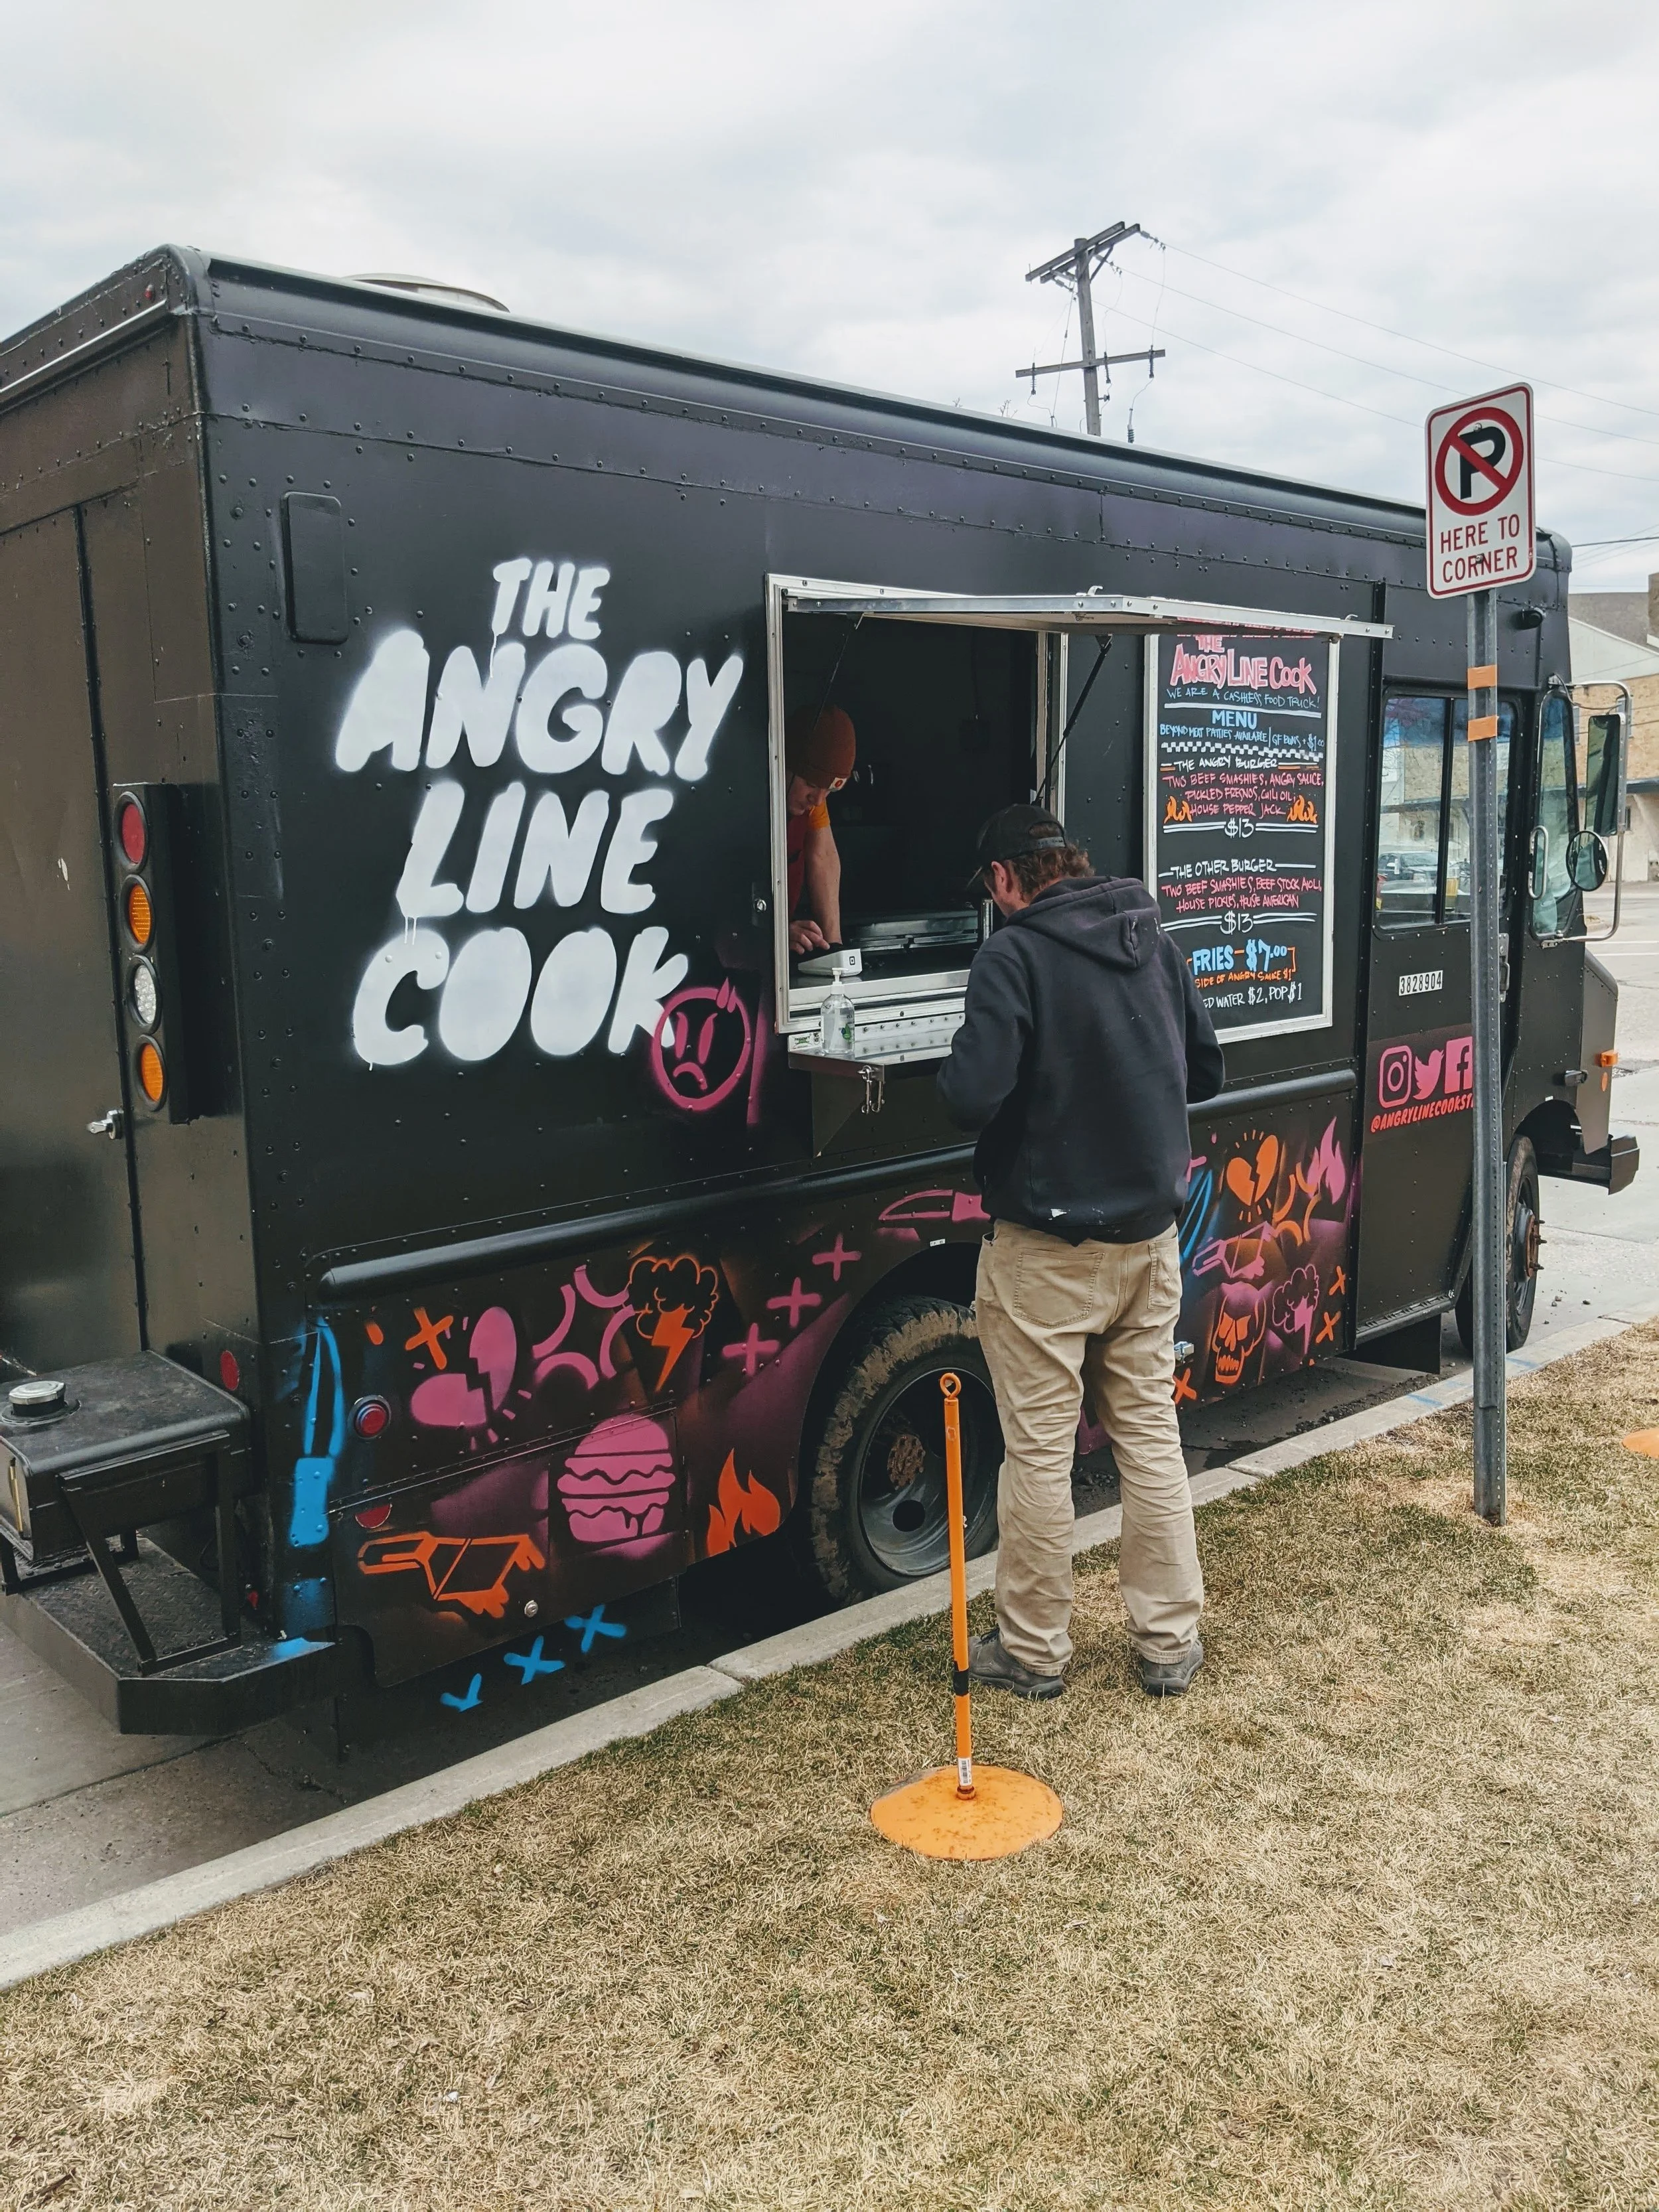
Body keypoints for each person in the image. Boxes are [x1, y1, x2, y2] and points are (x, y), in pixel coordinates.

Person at [936, 803, 1225, 1701]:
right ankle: (1169, 1642)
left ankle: (1032, 1651)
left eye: (991, 887)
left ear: (1004, 879)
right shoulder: (1152, 938)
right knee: (1149, 1438)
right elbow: (1206, 1072)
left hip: (1046, 1255)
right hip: (1149, 1244)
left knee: (1038, 1453)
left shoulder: (1012, 955)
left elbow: (969, 1095)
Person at [784, 704, 855, 956]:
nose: (818, 800)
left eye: (830, 790)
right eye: (811, 784)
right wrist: (772, 934)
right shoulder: (739, 801)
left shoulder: (814, 802)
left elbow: (823, 857)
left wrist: (833, 950)